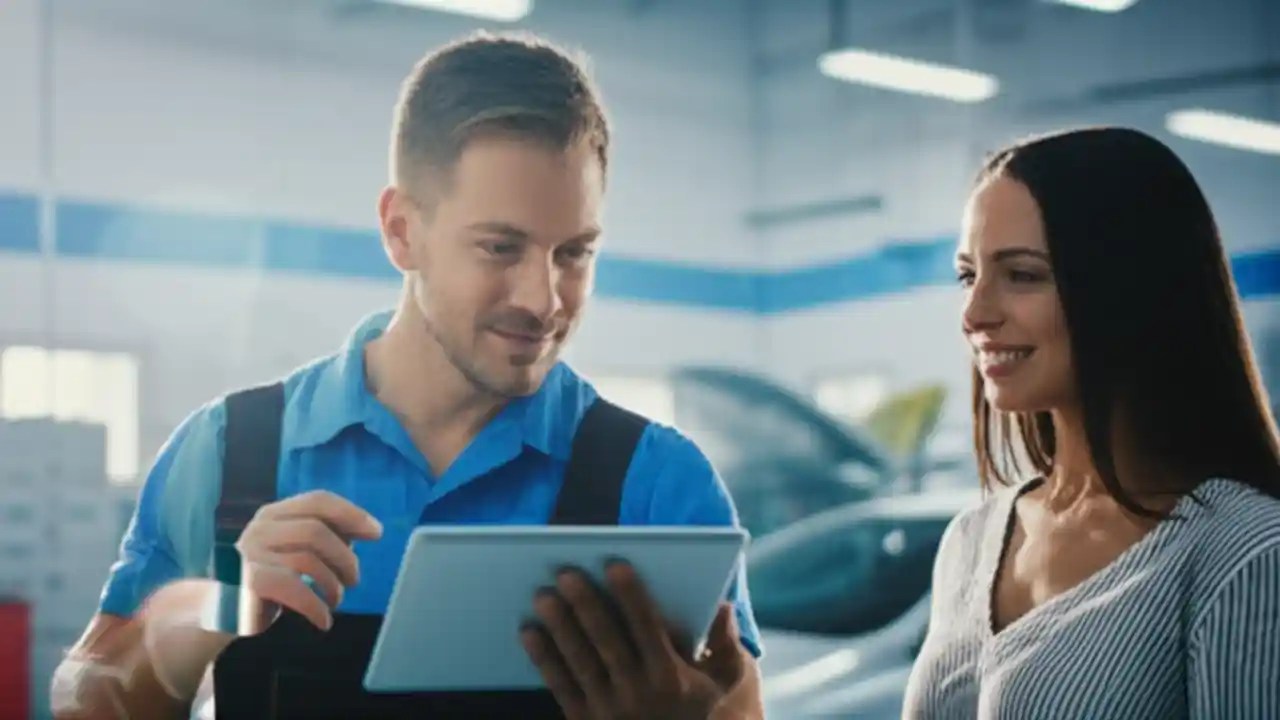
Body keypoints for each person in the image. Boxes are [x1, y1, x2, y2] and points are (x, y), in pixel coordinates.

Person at [51, 31, 765, 720]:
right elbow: (83, 701)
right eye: (500, 247)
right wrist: (215, 602)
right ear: (401, 231)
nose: (543, 299)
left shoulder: (658, 483)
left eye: (573, 253)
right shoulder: (231, 450)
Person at [902, 127, 1280, 719]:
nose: (975, 313)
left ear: (1131, 288)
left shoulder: (1243, 550)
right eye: (968, 275)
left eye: (1022, 275)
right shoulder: (969, 542)